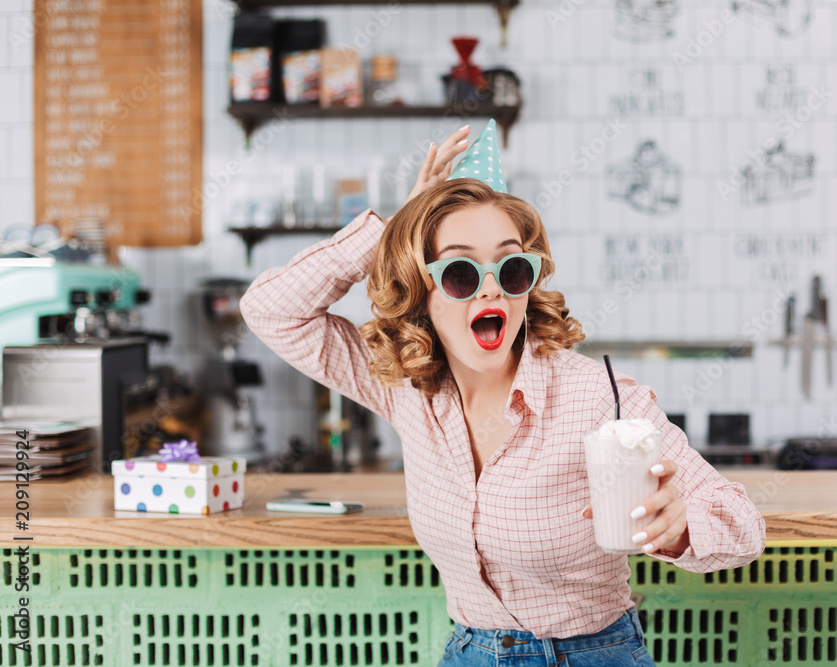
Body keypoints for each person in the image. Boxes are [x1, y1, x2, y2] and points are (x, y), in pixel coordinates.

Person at [240, 121, 766, 667]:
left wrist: (680, 528)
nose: (491, 287)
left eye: (511, 268)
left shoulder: (598, 397)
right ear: (421, 290)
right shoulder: (406, 388)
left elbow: (744, 524)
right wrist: (397, 228)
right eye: (462, 274)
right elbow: (271, 310)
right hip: (468, 653)